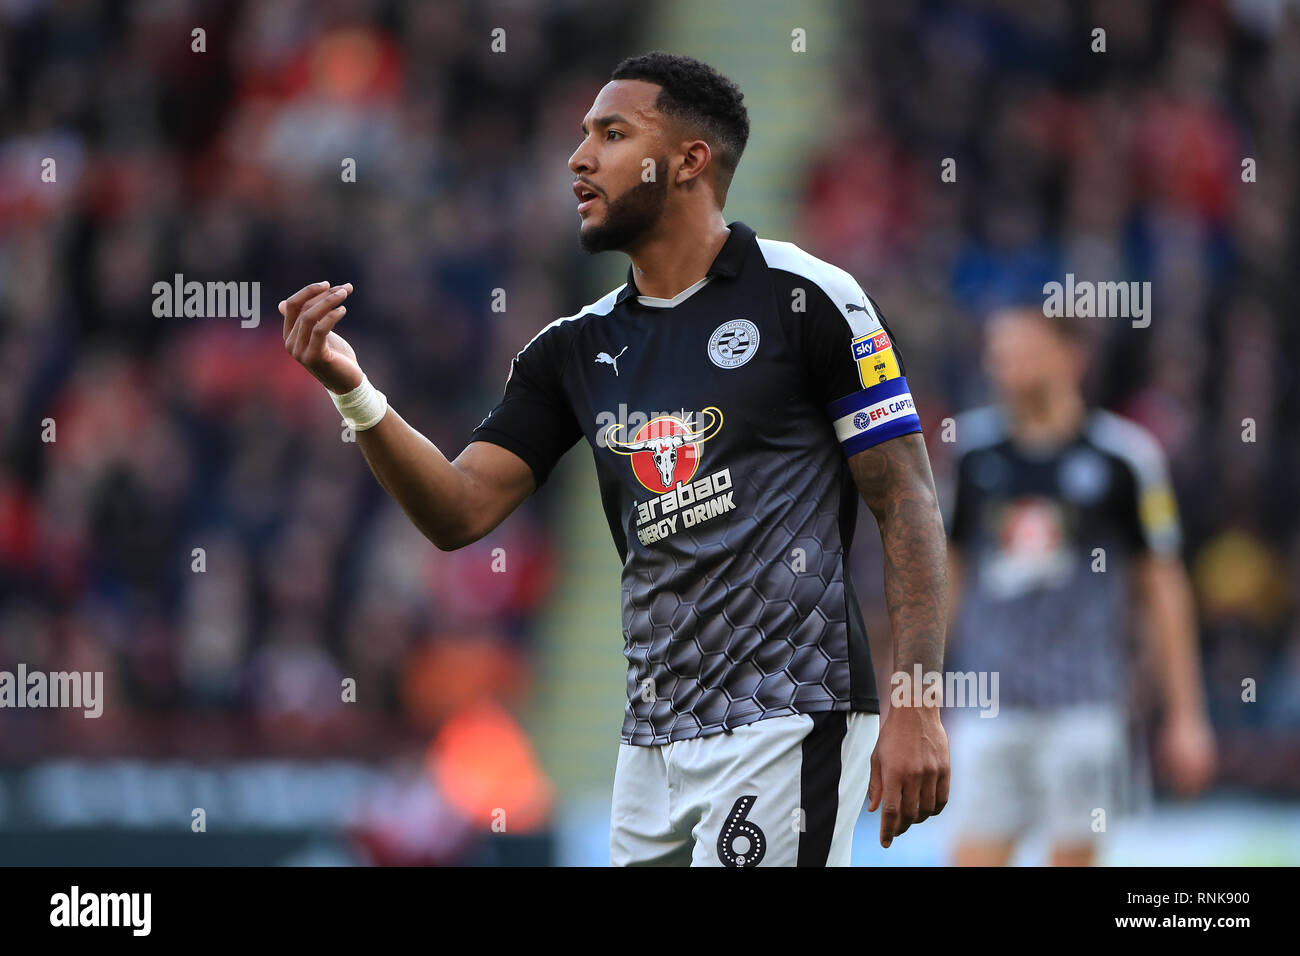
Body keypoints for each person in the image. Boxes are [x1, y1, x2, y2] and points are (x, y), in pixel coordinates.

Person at [280, 52, 950, 866]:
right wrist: (356, 394)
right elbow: (457, 510)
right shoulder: (572, 348)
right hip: (652, 744)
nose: (579, 157)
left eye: (612, 133)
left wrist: (915, 701)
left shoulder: (808, 298)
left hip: (790, 713)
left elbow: (906, 498)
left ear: (689, 161)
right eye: (583, 134)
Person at [944, 306, 1216, 866]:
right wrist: (914, 694)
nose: (1006, 367)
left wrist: (1186, 714)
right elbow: (942, 580)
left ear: (1072, 357)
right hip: (988, 702)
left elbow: (1162, 587)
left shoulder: (1124, 458)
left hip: (1086, 703)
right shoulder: (971, 455)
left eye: (1023, 352)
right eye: (999, 355)